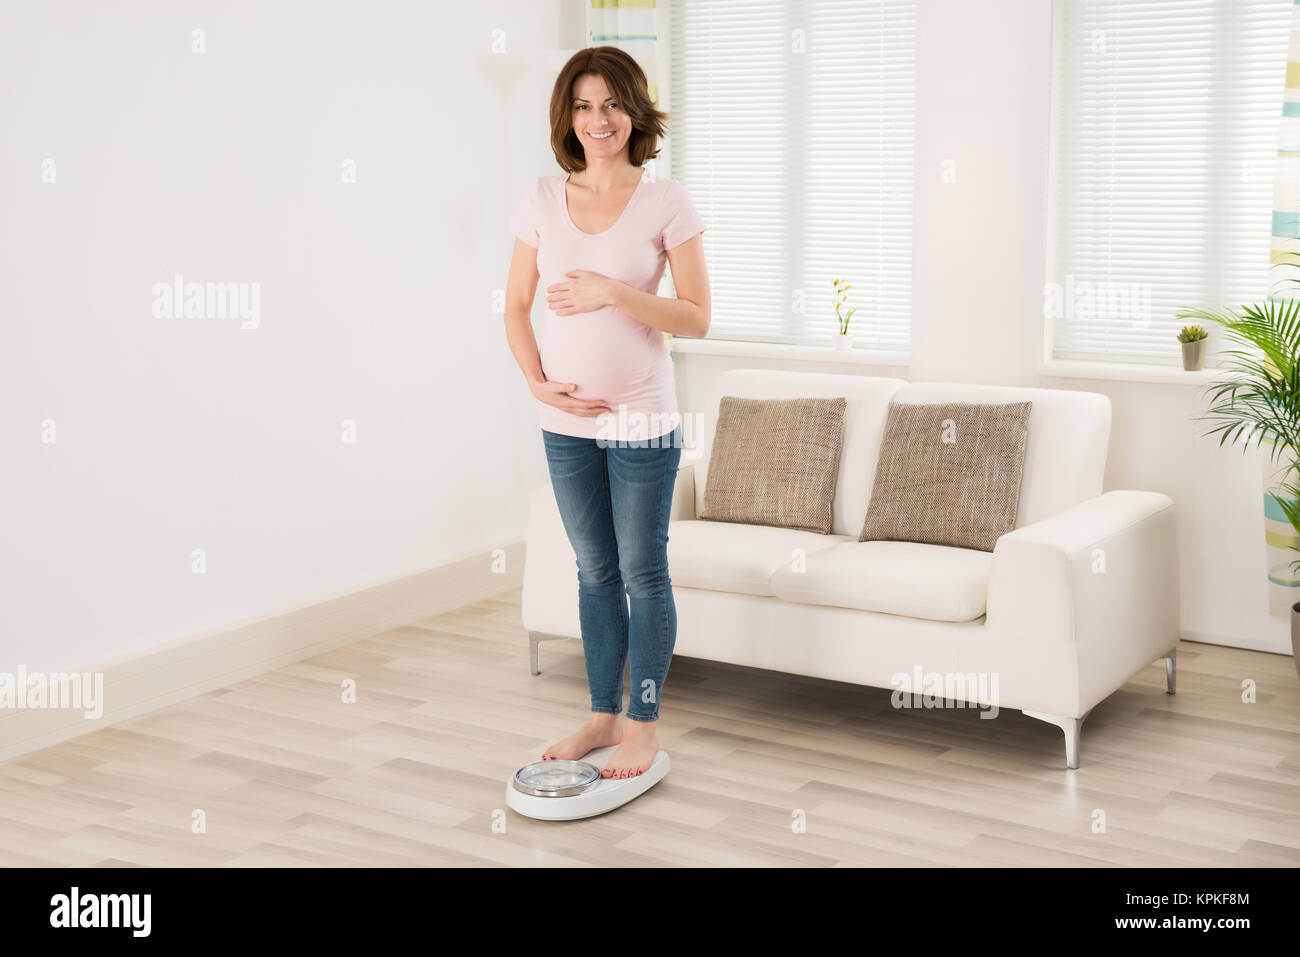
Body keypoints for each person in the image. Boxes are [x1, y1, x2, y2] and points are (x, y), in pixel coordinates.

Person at [504, 46, 710, 779]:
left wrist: (614, 292)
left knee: (641, 572)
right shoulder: (540, 198)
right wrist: (536, 381)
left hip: (641, 420)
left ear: (635, 111)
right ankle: (602, 714)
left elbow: (696, 317)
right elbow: (515, 306)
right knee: (593, 571)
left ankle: (644, 723)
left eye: (614, 104)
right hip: (565, 423)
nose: (600, 119)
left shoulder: (666, 201)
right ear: (568, 115)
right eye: (585, 105)